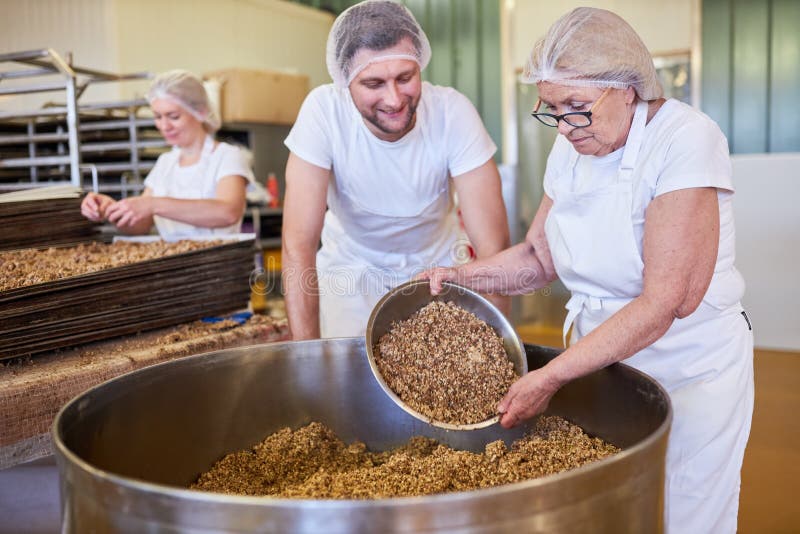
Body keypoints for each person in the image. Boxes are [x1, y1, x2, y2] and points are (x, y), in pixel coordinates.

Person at [423, 7, 753, 533]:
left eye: (577, 106)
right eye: (551, 108)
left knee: (686, 509)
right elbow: (538, 258)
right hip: (600, 366)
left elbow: (664, 302)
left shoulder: (685, 139)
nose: (564, 125)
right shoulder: (570, 147)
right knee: (615, 507)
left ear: (627, 88)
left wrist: (549, 376)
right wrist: (458, 276)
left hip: (688, 366)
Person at [282, 0, 510, 339]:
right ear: (345, 82)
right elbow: (298, 244)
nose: (394, 99)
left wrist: (495, 343)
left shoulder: (452, 113)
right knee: (349, 380)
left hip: (438, 270)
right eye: (373, 84)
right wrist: (305, 357)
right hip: (352, 271)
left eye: (405, 77)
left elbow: (494, 247)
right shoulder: (323, 112)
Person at [80, 70, 254, 237]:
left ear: (200, 112)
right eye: (158, 116)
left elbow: (228, 212)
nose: (164, 126)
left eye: (173, 116)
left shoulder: (227, 156)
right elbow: (141, 225)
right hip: (173, 262)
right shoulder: (165, 163)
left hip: (221, 264)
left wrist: (153, 204)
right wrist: (114, 210)